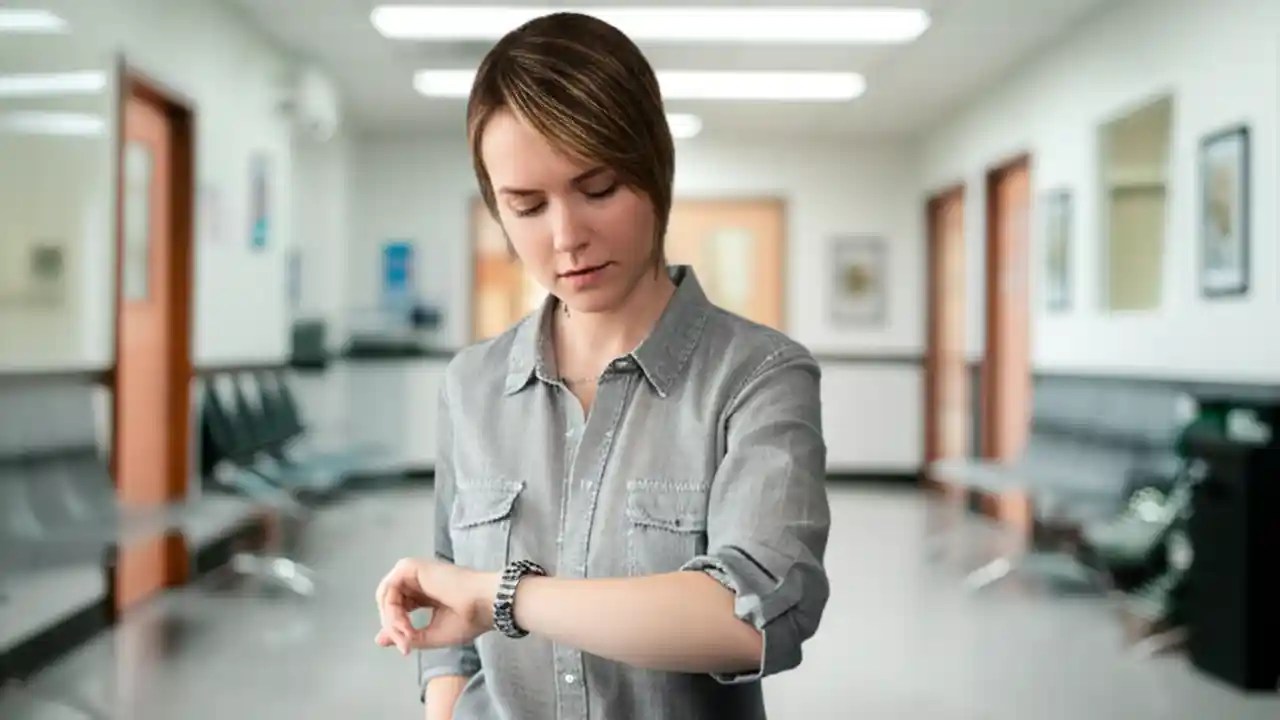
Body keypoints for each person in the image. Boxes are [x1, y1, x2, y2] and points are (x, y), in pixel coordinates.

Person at [373, 12, 830, 720]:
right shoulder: (470, 385)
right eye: (524, 205)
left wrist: (505, 595)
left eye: (599, 189)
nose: (565, 237)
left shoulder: (758, 375)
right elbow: (450, 617)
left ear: (655, 169)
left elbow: (753, 617)